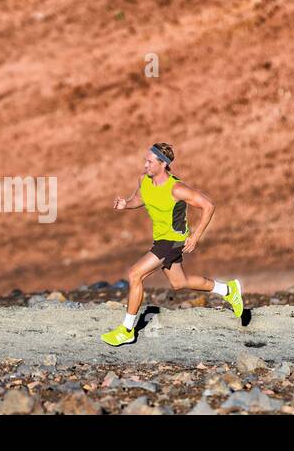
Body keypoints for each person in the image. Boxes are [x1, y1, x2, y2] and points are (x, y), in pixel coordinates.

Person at [101, 142, 249, 347]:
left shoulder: (176, 188)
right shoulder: (144, 180)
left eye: (150, 162)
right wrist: (126, 204)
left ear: (163, 164)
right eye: (145, 160)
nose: (145, 165)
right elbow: (140, 198)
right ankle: (228, 290)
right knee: (179, 283)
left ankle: (127, 330)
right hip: (160, 238)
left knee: (135, 274)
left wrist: (195, 236)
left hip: (173, 240)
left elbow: (208, 205)